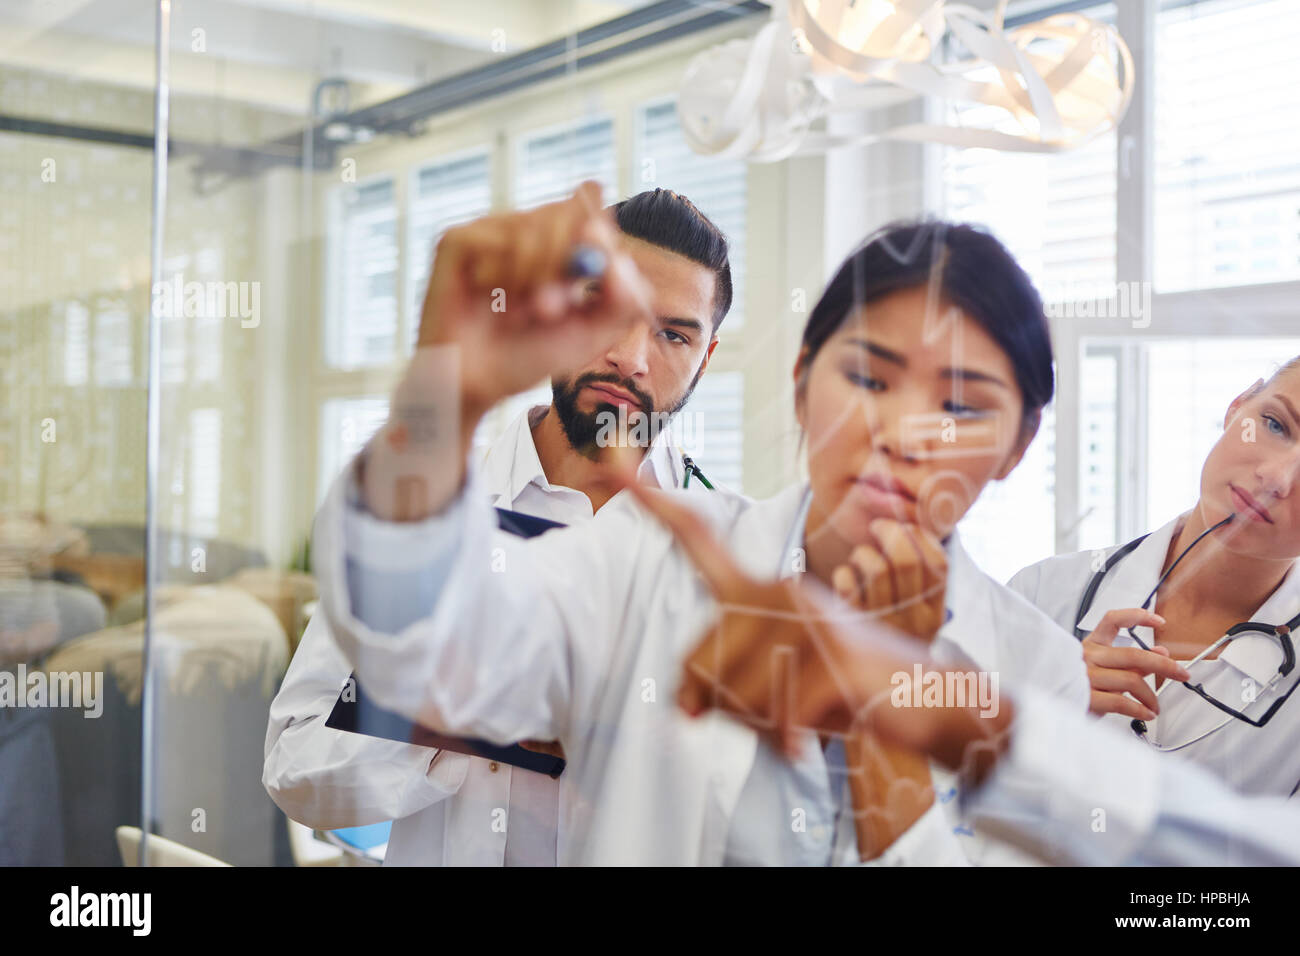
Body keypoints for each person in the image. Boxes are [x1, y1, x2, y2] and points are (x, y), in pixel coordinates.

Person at [312, 186, 1090, 865]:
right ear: (800, 382)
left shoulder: (1039, 671)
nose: (902, 428)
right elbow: (412, 649)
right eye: (867, 376)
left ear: (1020, 444)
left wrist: (885, 752)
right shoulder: (645, 551)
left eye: (961, 405)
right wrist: (443, 396)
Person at [263, 186, 739, 866]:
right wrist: (471, 724)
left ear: (706, 357)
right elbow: (294, 765)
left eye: (673, 334)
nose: (632, 358)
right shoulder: (428, 507)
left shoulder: (732, 549)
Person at [608, 482, 1300, 866]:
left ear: (1016, 447)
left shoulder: (1017, 639)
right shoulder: (1049, 589)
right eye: (1270, 422)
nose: (1278, 477)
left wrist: (1013, 718)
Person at [1009, 357, 1300, 799]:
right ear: (1238, 406)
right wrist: (1030, 714)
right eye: (1275, 424)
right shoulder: (1040, 597)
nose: (1277, 478)